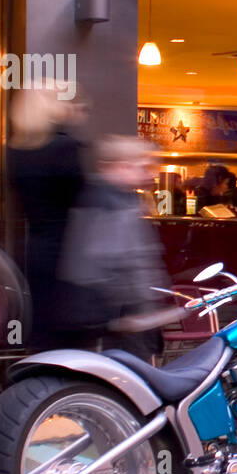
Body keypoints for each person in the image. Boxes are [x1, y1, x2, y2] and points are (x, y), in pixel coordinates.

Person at [56, 136, 171, 360]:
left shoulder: (113, 198)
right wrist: (138, 305)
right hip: (120, 314)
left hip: (117, 313)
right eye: (144, 166)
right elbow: (110, 260)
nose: (151, 173)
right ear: (122, 166)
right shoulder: (110, 204)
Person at [8, 81, 87, 351]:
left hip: (35, 248)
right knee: (68, 328)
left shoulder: (15, 151)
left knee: (41, 325)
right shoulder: (64, 147)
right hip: (67, 250)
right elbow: (81, 198)